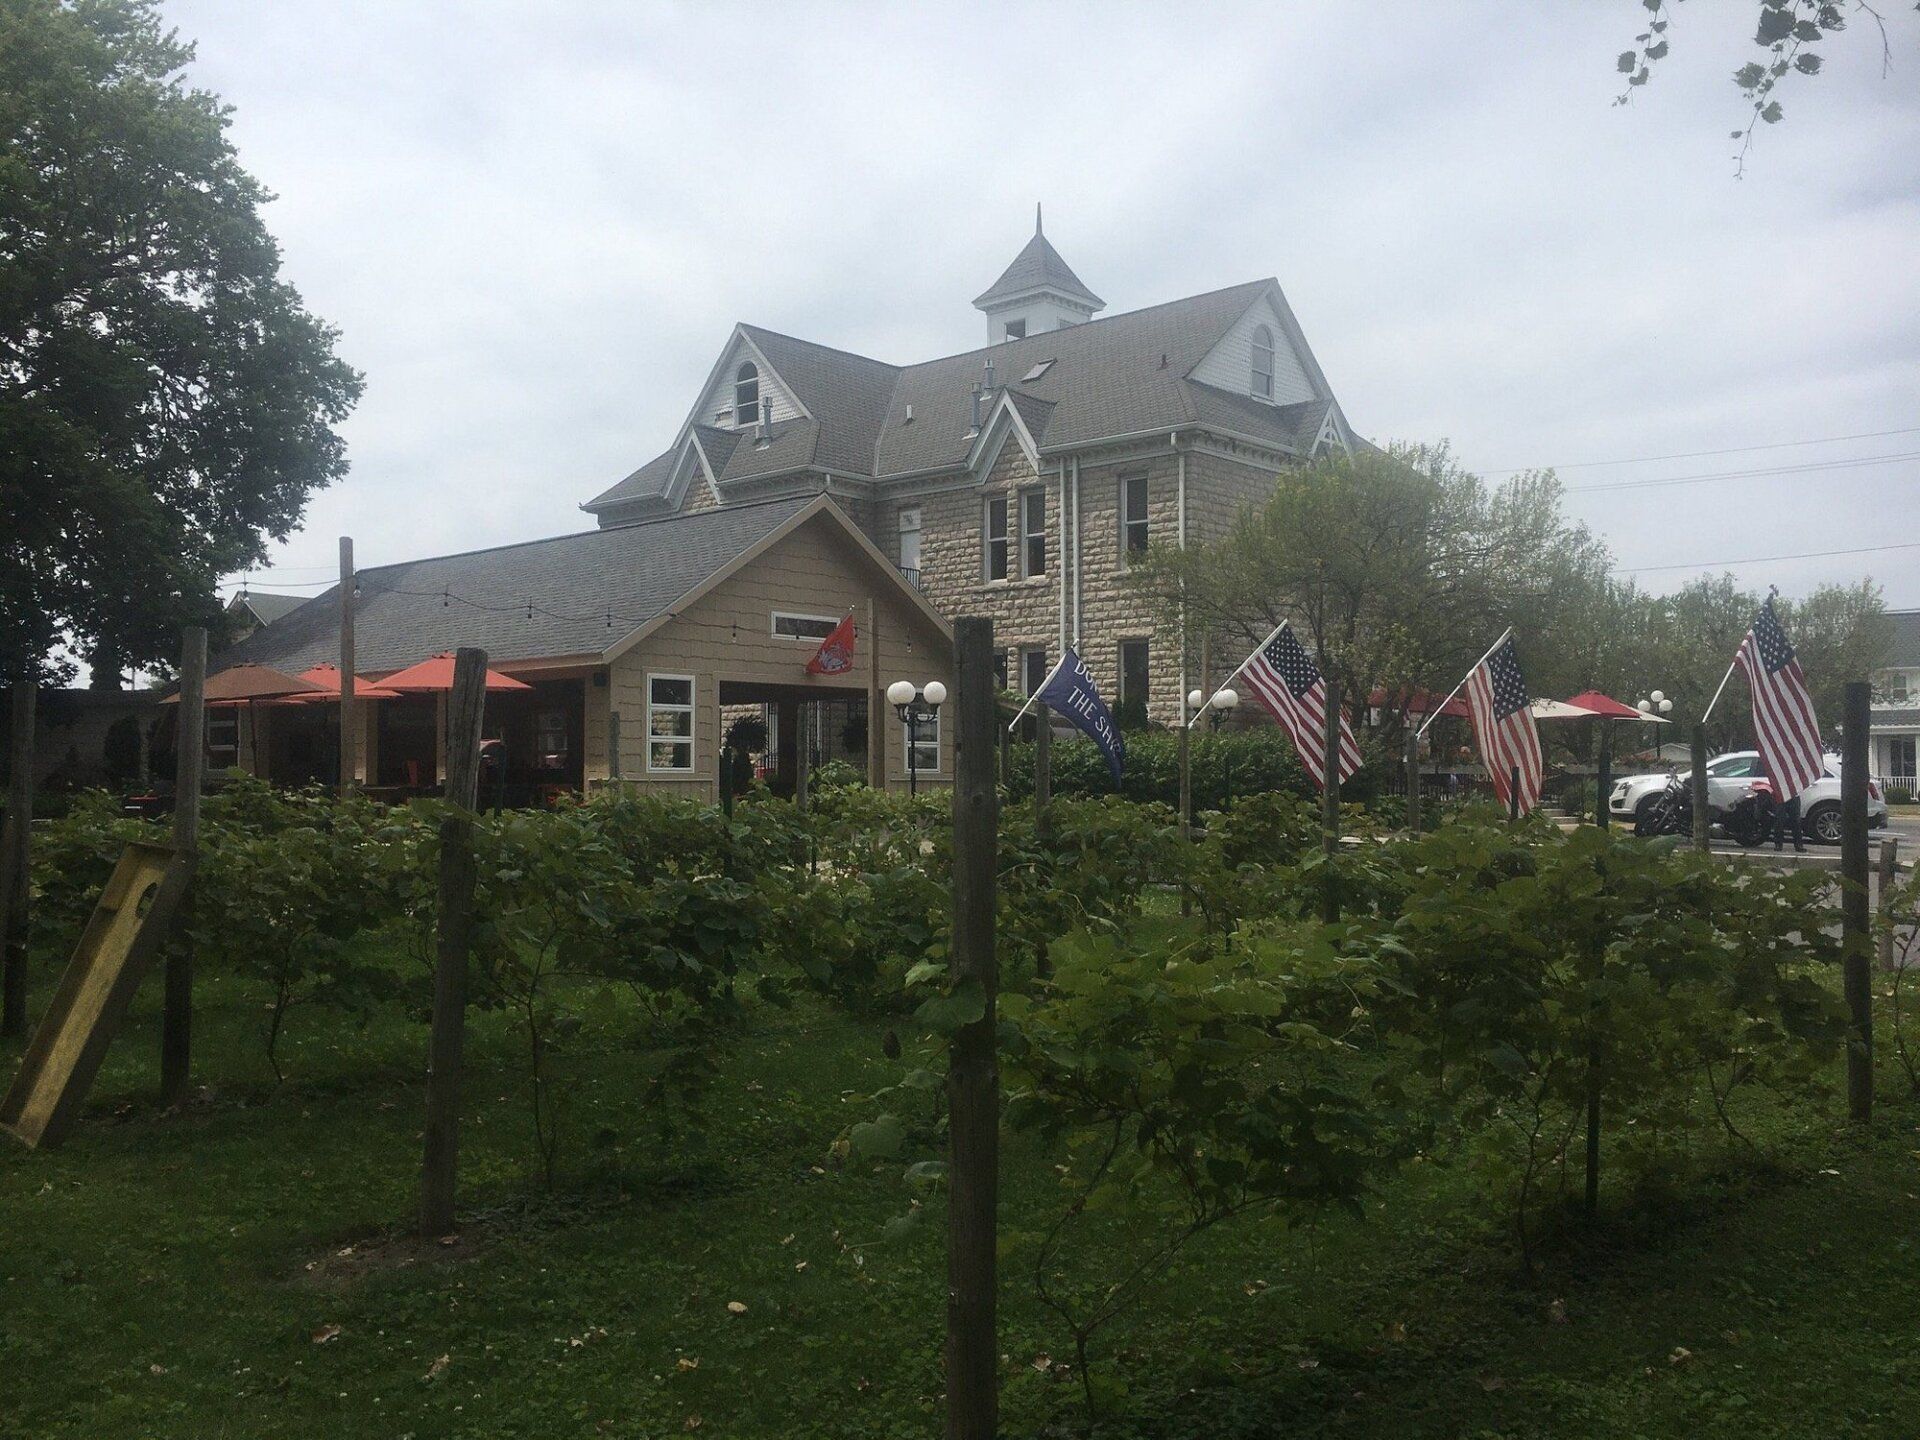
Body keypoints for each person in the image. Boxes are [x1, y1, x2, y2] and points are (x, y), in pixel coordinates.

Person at [1754, 754, 1806, 853]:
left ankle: (1798, 845)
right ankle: (1778, 844)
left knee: (1796, 821)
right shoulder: (1775, 765)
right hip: (1779, 795)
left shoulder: (1795, 765)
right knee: (1779, 820)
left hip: (1793, 795)